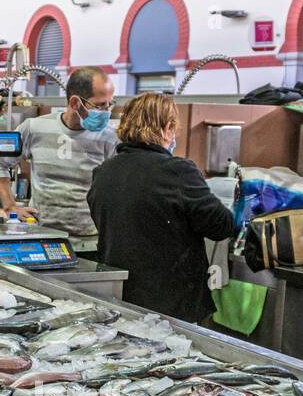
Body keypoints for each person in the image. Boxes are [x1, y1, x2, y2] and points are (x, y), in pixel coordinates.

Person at [87, 93, 236, 324]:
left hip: (120, 301)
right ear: (167, 128)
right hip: (170, 308)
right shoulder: (177, 171)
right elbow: (221, 226)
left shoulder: (104, 171)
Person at [0, 66, 117, 259]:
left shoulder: (110, 138)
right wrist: (10, 206)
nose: (107, 112)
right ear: (75, 103)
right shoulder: (34, 128)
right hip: (41, 240)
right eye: (100, 106)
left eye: (110, 104)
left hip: (90, 244)